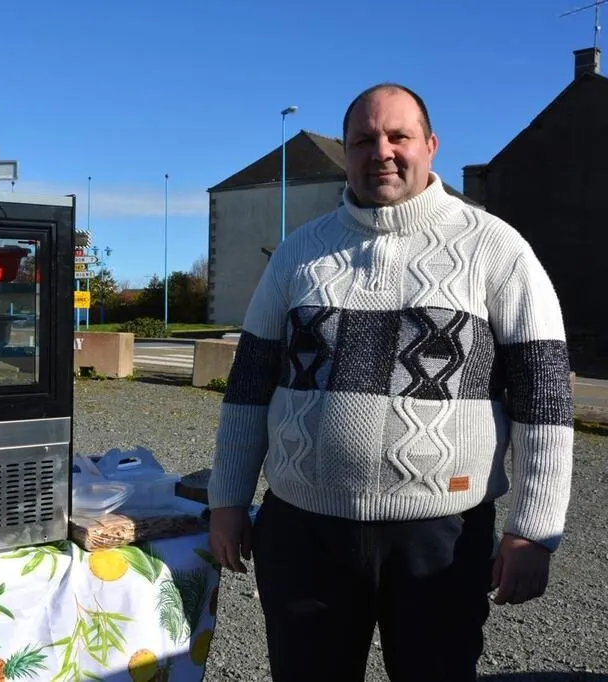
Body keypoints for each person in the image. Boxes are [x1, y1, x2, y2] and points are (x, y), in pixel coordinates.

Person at [207, 83, 575, 682]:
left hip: (441, 539)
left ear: (430, 146)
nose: (381, 150)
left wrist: (534, 532)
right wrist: (227, 500)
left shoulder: (497, 250)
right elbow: (248, 388)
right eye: (364, 139)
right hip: (304, 531)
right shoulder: (299, 254)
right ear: (347, 152)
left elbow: (546, 401)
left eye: (398, 136)